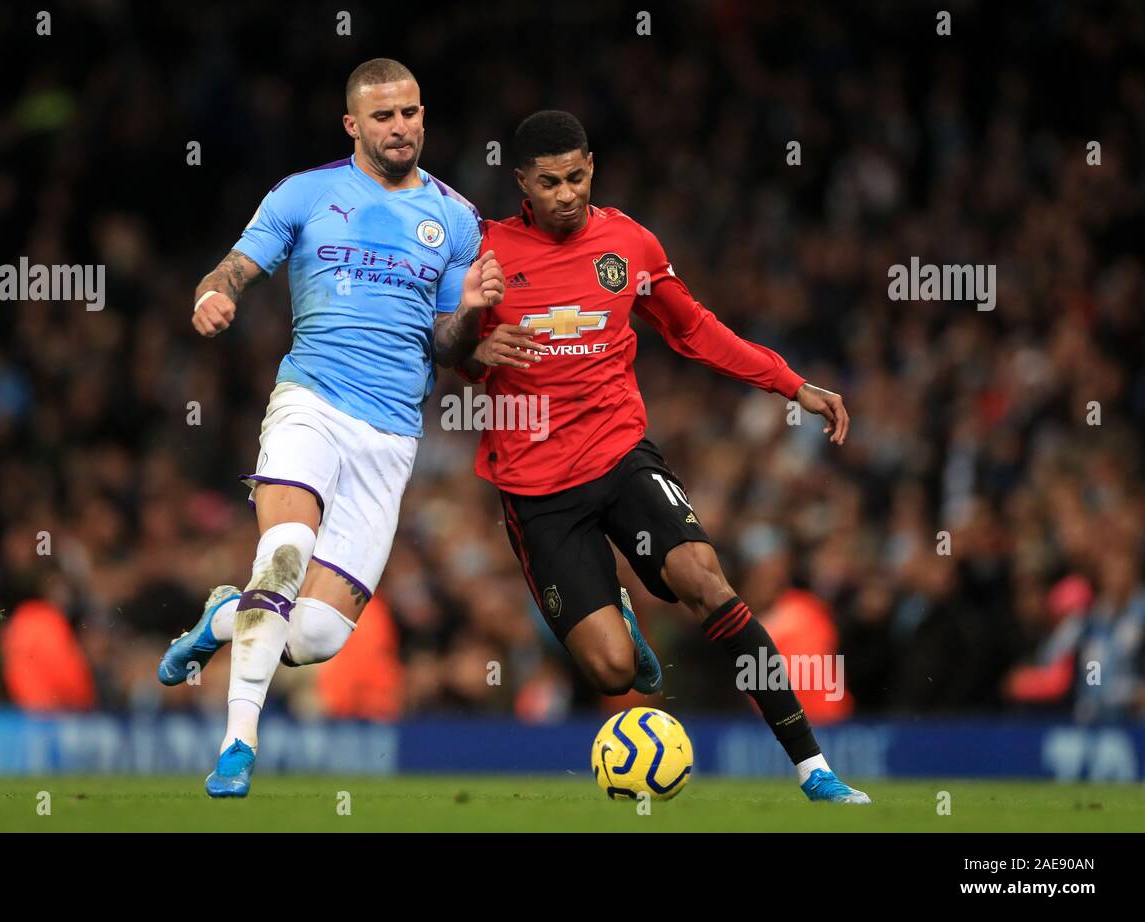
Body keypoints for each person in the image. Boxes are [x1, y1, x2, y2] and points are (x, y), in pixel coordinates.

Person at [446, 110, 869, 803]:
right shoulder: (485, 252)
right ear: (521, 181)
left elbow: (695, 329)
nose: (565, 194)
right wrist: (472, 348)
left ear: (592, 167)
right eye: (549, 182)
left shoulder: (628, 243)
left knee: (707, 581)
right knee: (615, 673)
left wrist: (792, 384)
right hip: (538, 491)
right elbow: (435, 343)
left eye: (576, 176)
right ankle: (621, 615)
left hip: (620, 456)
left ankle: (811, 767)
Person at [157, 58, 503, 797]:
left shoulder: (456, 218)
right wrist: (212, 296)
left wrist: (470, 309)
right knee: (282, 558)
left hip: (391, 435)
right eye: (383, 116)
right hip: (310, 402)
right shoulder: (304, 195)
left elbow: (447, 349)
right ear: (353, 124)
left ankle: (223, 618)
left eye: (410, 112)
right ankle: (236, 745)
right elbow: (231, 270)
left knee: (313, 636)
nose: (401, 126)